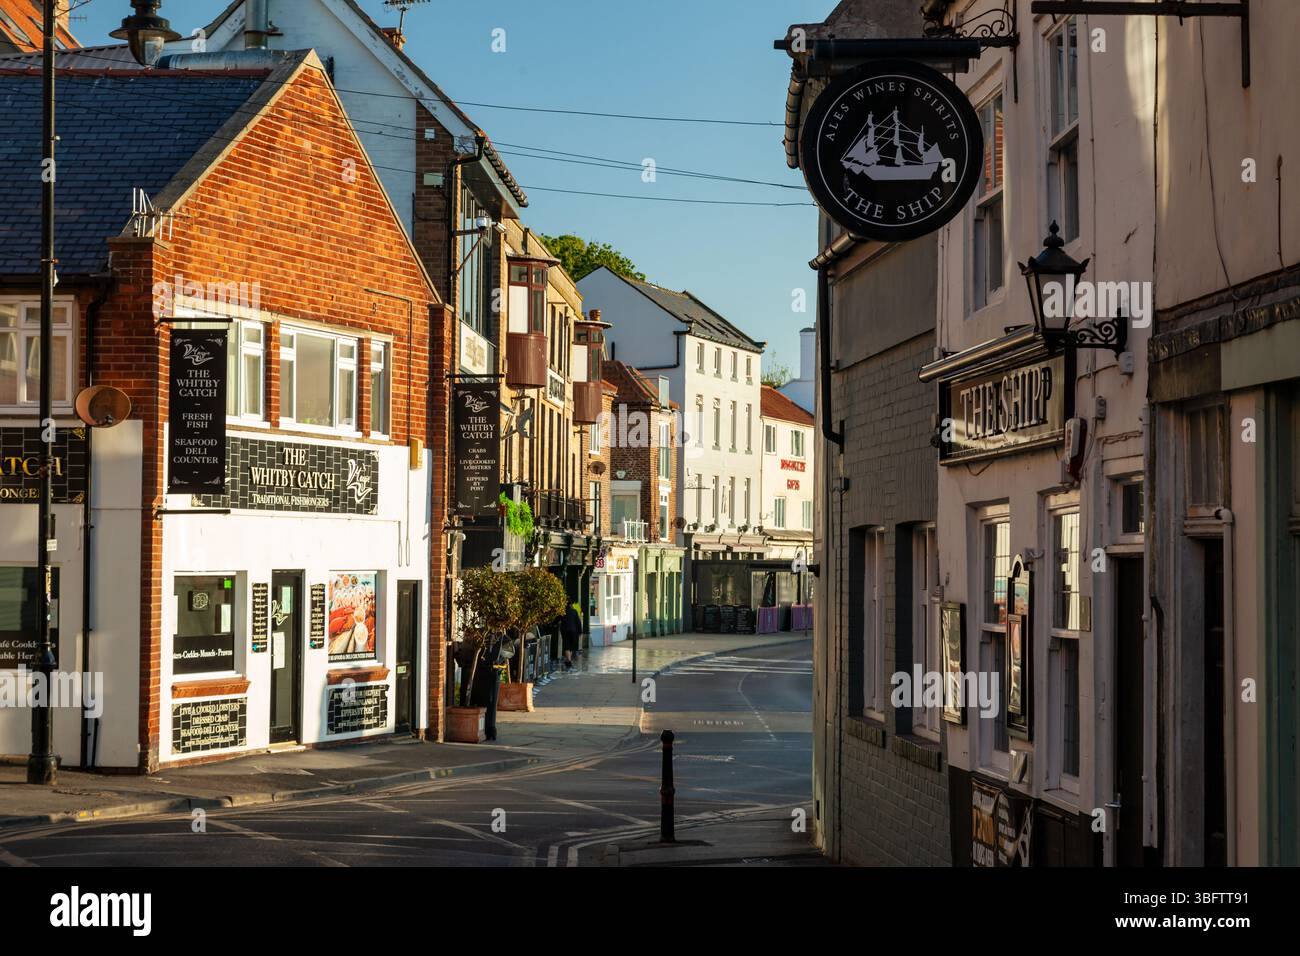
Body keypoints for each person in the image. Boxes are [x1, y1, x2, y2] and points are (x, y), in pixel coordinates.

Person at [560, 602, 582, 670]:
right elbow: (578, 622)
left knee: (566, 646)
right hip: (573, 631)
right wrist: (580, 631)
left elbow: (557, 619)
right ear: (571, 605)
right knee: (571, 647)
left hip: (565, 631)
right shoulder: (574, 611)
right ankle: (568, 661)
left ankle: (568, 661)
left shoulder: (562, 612)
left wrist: (553, 624)